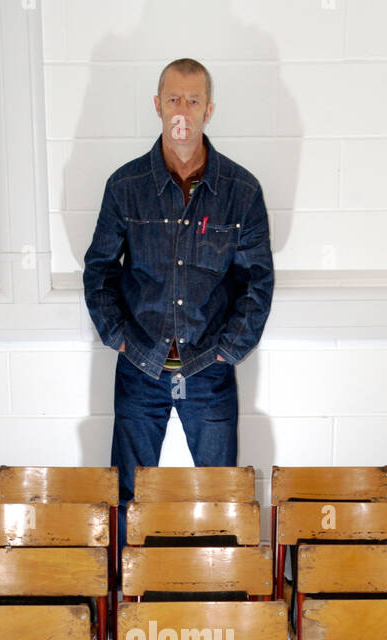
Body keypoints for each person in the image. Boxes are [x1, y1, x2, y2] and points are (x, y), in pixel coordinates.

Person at [83, 57, 274, 545]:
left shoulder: (242, 191)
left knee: (221, 495)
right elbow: (99, 271)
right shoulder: (125, 187)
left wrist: (224, 352)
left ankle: (219, 601)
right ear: (157, 106)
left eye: (192, 100)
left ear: (209, 109)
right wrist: (123, 343)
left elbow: (258, 283)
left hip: (208, 369)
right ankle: (125, 602)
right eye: (173, 99)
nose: (182, 110)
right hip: (140, 367)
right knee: (126, 495)